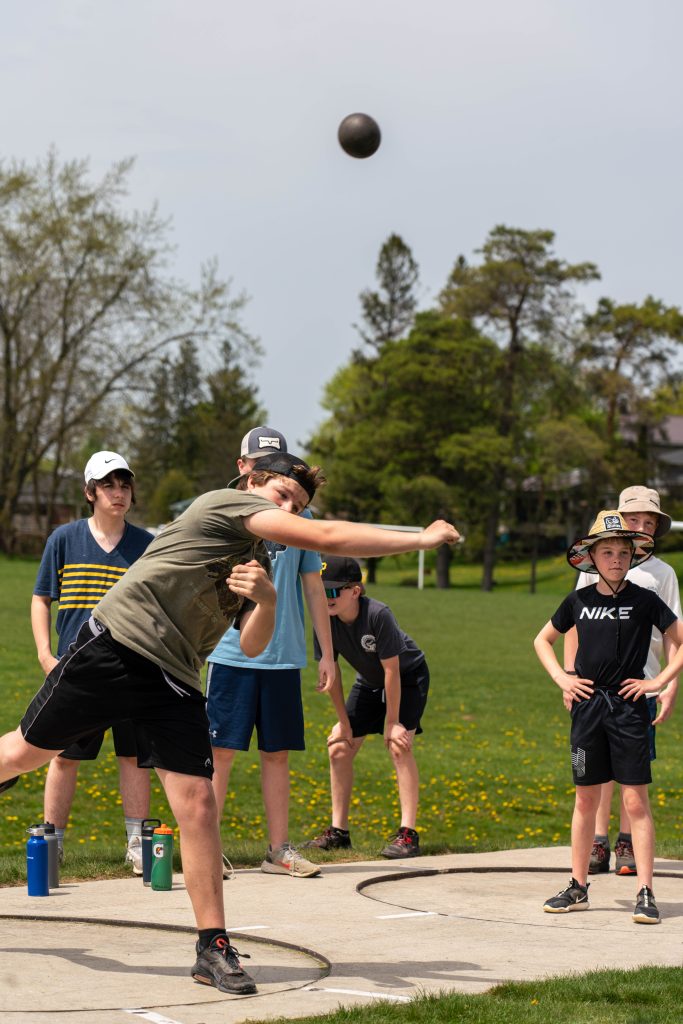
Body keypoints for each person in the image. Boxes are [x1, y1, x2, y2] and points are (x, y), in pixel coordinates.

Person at [0, 451, 459, 996]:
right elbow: (331, 538)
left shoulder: (254, 558)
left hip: (173, 677)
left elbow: (250, 642)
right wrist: (421, 537)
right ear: (252, 480)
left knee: (198, 804)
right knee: (23, 756)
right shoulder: (222, 505)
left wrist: (265, 599)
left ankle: (211, 947)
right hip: (117, 646)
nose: (290, 509)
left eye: (299, 505)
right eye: (283, 495)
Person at [534, 510, 683, 925]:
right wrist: (564, 678)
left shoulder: (645, 599)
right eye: (607, 552)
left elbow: (679, 641)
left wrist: (659, 683)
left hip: (630, 709)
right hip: (587, 710)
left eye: (623, 552)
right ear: (591, 558)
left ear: (633, 557)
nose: (616, 558)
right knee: (586, 796)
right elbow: (542, 640)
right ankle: (578, 885)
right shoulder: (578, 601)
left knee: (635, 799)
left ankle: (646, 890)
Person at [206, 427, 334, 879]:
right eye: (258, 463)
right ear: (244, 470)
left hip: (282, 655)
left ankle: (279, 850)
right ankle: (208, 848)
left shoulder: (301, 516)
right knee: (220, 751)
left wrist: (327, 652)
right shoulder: (223, 512)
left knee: (277, 752)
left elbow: (313, 585)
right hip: (230, 653)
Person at [32, 451, 153, 872]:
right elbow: (41, 598)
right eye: (108, 486)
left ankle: (138, 843)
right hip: (75, 670)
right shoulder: (63, 539)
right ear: (89, 492)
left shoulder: (145, 545)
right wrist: (46, 654)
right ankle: (51, 844)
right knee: (63, 756)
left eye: (124, 486)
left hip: (132, 669)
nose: (118, 494)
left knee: (134, 757)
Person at [563, 486, 680, 878]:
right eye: (635, 519)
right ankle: (598, 840)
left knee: (632, 778)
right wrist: (568, 676)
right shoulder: (593, 573)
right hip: (592, 688)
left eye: (649, 522)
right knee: (596, 777)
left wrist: (666, 685)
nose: (641, 526)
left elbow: (672, 636)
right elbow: (572, 628)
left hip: (639, 684)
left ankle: (627, 841)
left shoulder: (660, 575)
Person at [304, 554, 430, 859]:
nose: (327, 598)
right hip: (369, 682)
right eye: (322, 591)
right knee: (338, 746)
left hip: (407, 677)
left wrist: (392, 722)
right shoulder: (325, 621)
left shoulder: (378, 614)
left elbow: (392, 672)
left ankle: (408, 835)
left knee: (398, 745)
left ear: (355, 591)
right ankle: (339, 832)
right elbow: (330, 674)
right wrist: (343, 723)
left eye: (333, 591)